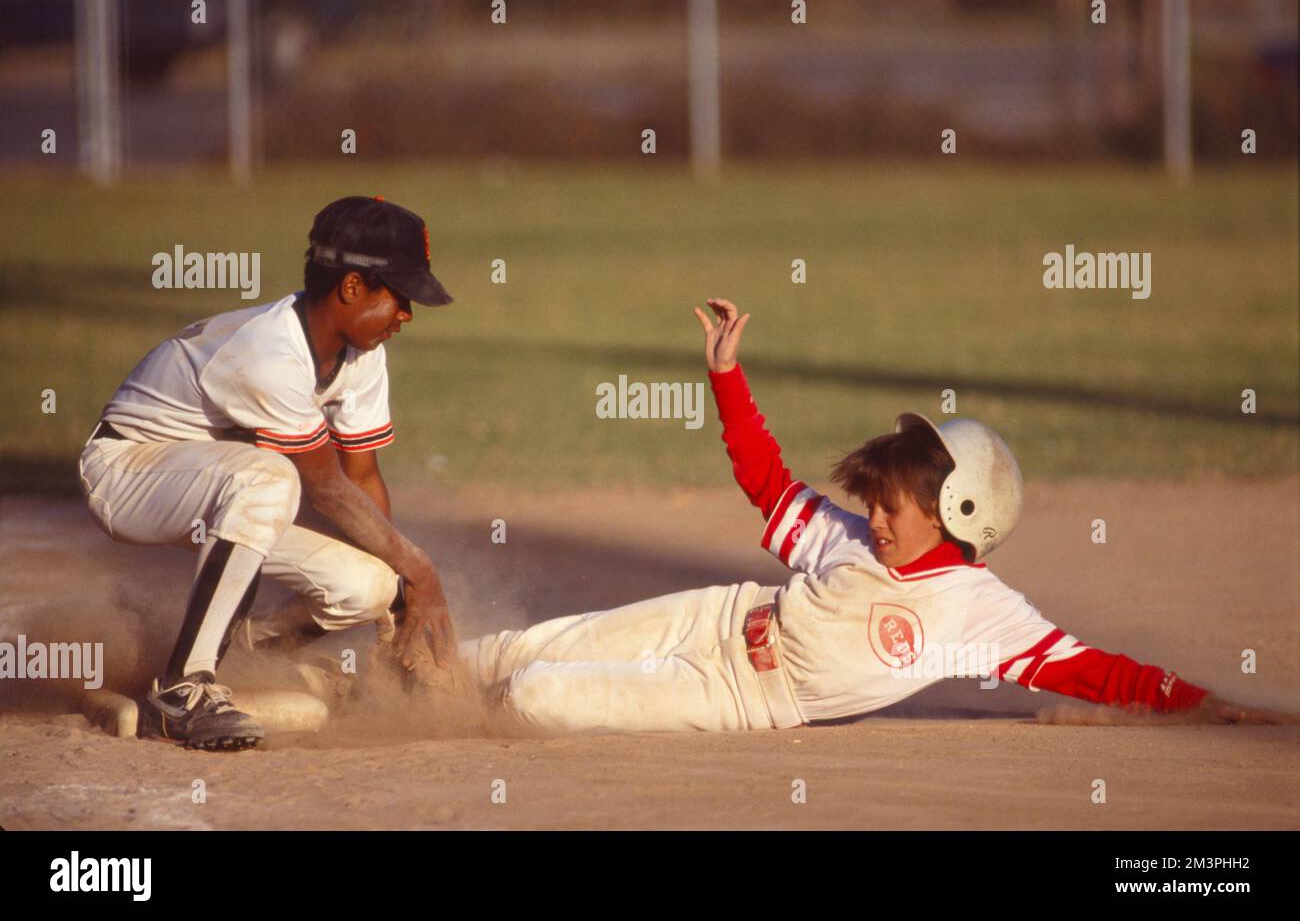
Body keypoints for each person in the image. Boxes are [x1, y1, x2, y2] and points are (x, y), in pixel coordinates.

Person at [457, 299, 1295, 734]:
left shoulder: (980, 612)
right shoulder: (851, 539)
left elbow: (1099, 673)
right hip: (711, 616)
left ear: (955, 512)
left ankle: (436, 717)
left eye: (892, 504)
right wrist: (726, 375)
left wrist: (1204, 701)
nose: (875, 516)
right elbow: (769, 484)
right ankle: (344, 689)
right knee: (511, 650)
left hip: (732, 695)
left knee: (537, 696)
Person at [77, 196, 458, 750]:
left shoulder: (363, 353)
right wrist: (421, 572)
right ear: (352, 287)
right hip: (129, 472)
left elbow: (362, 480)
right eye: (399, 296)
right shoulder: (267, 351)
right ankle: (182, 691)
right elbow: (325, 489)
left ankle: (245, 653)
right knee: (271, 476)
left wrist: (394, 601)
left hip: (222, 487)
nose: (407, 314)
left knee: (364, 586)